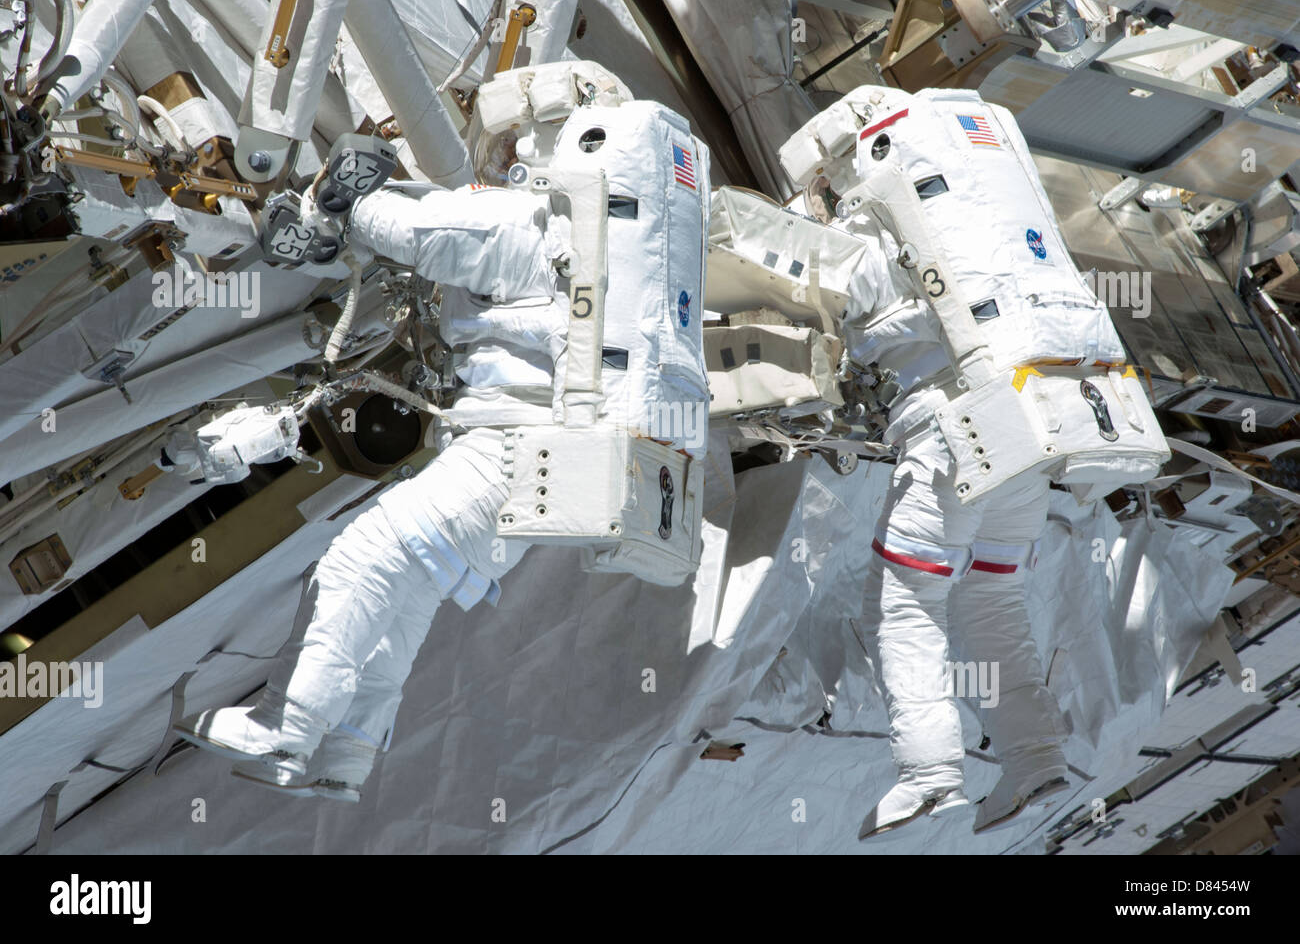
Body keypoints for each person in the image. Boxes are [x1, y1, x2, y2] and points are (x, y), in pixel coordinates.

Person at [174, 61, 712, 800]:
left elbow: (420, 228)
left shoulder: (531, 223)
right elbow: (447, 226)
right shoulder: (622, 244)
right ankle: (349, 754)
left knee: (362, 559)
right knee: (407, 591)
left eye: (505, 145)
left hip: (514, 454)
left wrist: (326, 203)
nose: (497, 162)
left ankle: (285, 726)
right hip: (552, 467)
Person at [778, 85, 1166, 836]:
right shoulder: (989, 220)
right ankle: (1035, 757)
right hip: (1038, 426)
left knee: (903, 603)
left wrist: (803, 233)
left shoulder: (884, 232)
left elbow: (820, 296)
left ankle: (929, 773)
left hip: (961, 436)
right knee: (989, 601)